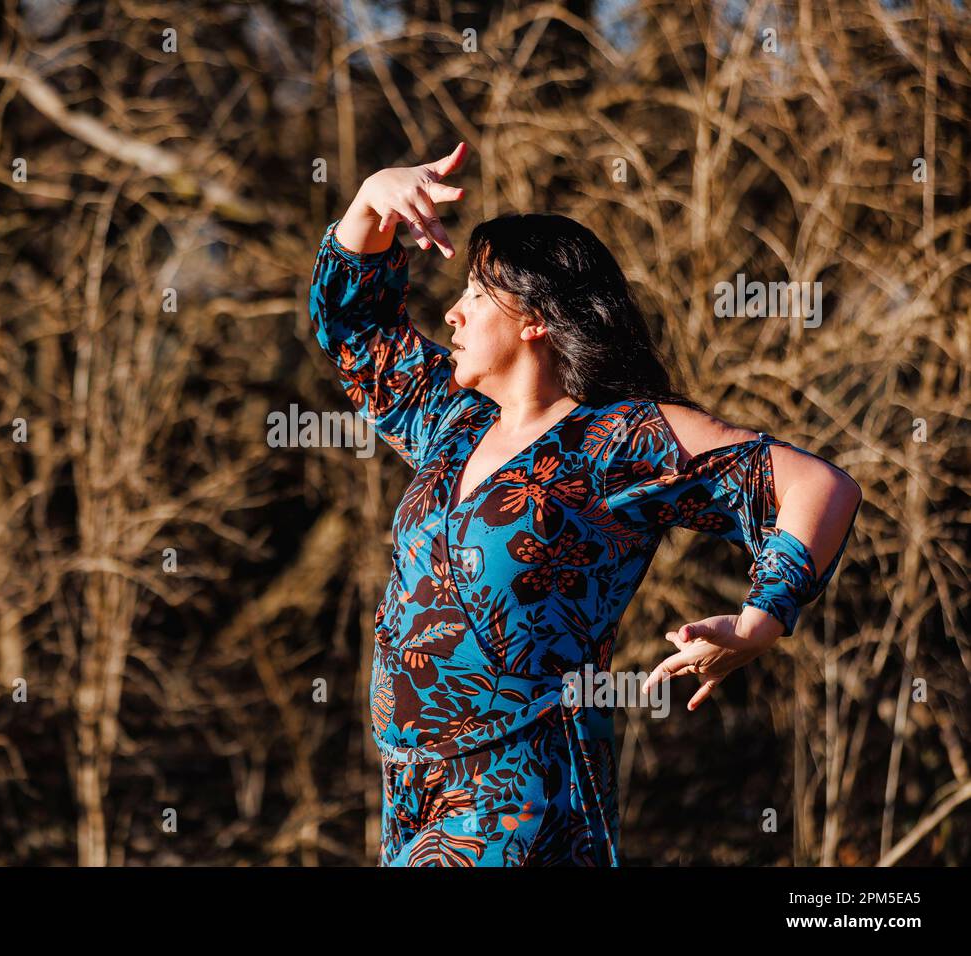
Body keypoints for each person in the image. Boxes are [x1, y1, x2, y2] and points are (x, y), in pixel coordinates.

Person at [307, 142, 862, 866]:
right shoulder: (451, 416)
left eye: (475, 295)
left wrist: (763, 621)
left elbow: (817, 486)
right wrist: (373, 198)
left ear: (533, 316)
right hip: (409, 791)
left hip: (522, 792)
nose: (451, 314)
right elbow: (353, 329)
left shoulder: (615, 438)